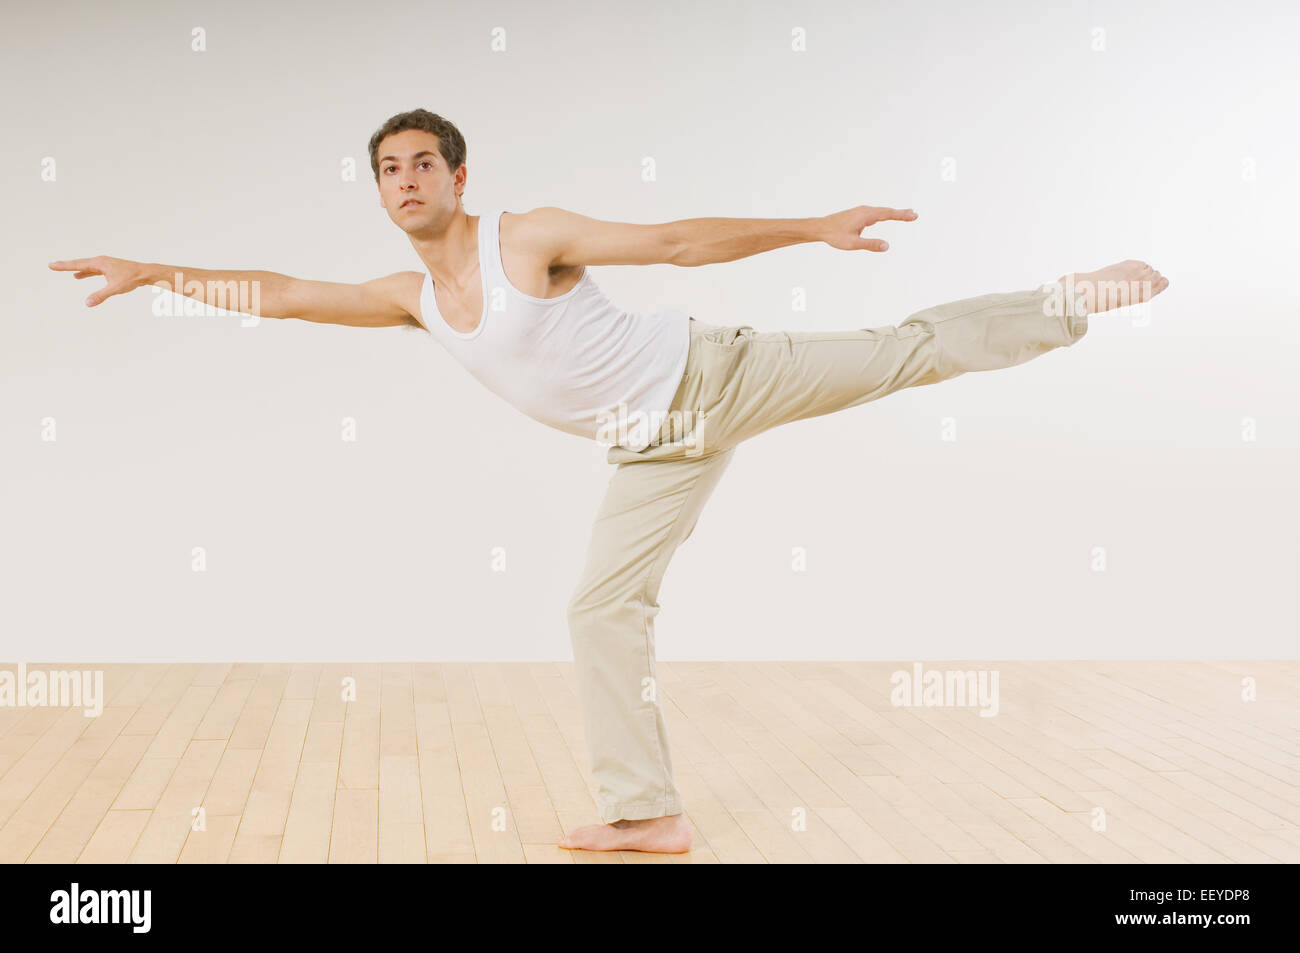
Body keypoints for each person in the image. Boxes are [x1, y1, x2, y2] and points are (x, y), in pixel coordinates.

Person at [49, 108, 1169, 855]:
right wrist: (157, 274)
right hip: (649, 445)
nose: (405, 182)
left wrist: (812, 226)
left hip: (712, 376)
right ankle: (649, 813)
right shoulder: (409, 294)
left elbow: (676, 241)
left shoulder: (526, 238)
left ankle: (1079, 296)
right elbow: (286, 293)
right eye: (388, 170)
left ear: (458, 175)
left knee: (901, 350)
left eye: (422, 164)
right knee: (597, 606)